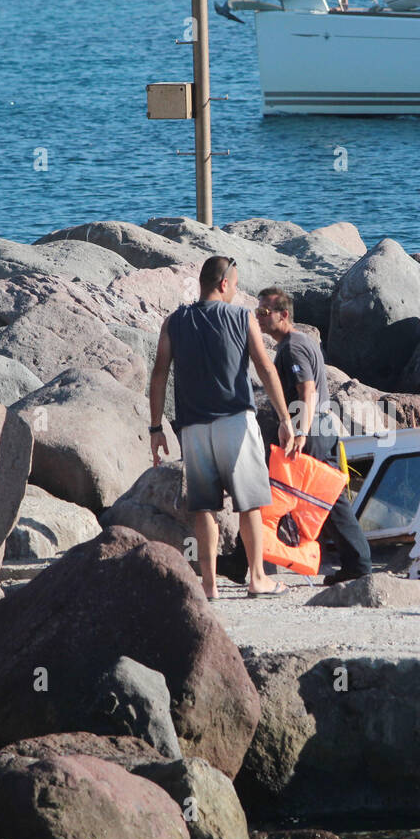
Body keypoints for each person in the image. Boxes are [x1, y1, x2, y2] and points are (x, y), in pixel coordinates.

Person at [149, 256, 304, 600]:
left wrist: (156, 427)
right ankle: (258, 578)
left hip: (192, 427)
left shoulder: (173, 322)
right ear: (223, 284)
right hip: (235, 421)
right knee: (249, 503)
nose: (235, 291)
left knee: (204, 506)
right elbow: (265, 368)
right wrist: (284, 419)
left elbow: (159, 374)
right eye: (234, 285)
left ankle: (210, 584)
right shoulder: (241, 317)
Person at [256, 287, 373, 585]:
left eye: (264, 312)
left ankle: (357, 564)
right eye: (258, 312)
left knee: (314, 497)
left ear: (284, 315)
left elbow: (306, 389)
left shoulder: (293, 347)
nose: (259, 317)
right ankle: (355, 563)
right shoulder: (301, 341)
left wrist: (301, 432)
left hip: (312, 428)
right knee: (328, 498)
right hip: (322, 426)